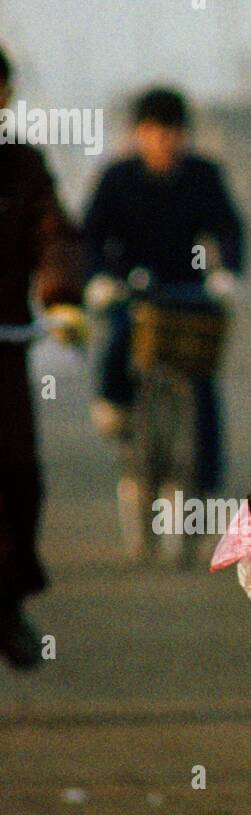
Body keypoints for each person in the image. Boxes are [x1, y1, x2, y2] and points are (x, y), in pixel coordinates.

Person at [82, 87, 245, 552]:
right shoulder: (116, 179)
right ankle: (112, 401)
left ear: (184, 135)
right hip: (131, 291)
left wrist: (228, 274)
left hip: (189, 293)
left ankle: (205, 479)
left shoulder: (203, 177)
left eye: (173, 131)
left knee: (204, 381)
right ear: (138, 134)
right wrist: (98, 279)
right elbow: (91, 237)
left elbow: (229, 228)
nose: (165, 141)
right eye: (155, 131)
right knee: (118, 338)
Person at [0, 44, 84, 669]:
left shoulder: (23, 167)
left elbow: (54, 234)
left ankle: (6, 604)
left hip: (5, 347)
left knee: (18, 474)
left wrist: (60, 299)